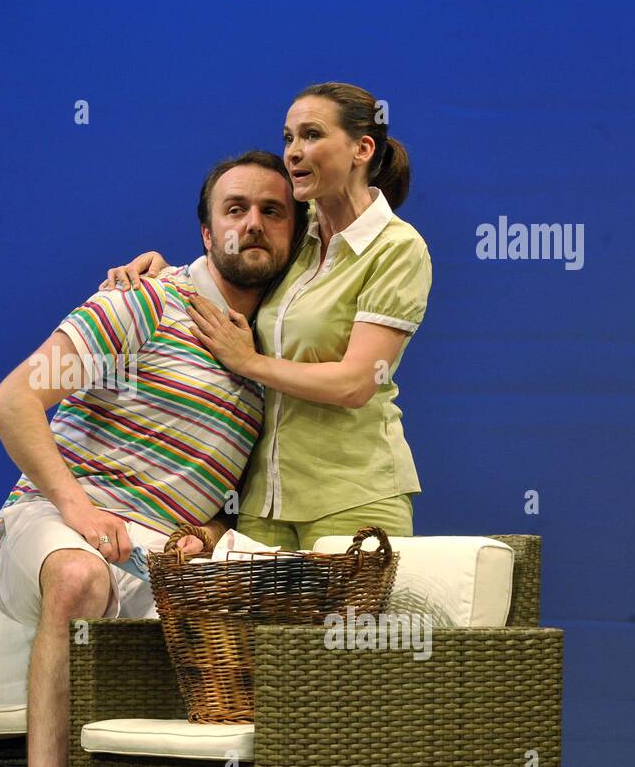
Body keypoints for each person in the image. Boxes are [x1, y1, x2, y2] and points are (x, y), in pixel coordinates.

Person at [0, 150, 297, 767]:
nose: (254, 223)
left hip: (159, 558)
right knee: (78, 574)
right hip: (60, 520)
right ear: (208, 233)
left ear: (295, 233)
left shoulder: (274, 354)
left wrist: (209, 531)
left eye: (273, 211)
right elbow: (13, 400)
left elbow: (230, 496)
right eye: (234, 209)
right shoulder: (146, 301)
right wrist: (79, 510)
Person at [104, 82, 432, 550]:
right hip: (261, 504)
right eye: (289, 138)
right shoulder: (298, 231)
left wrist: (250, 363)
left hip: (352, 497)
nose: (294, 153)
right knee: (251, 628)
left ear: (362, 148)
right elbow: (233, 261)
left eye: (312, 135)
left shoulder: (397, 247)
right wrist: (164, 271)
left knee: (346, 627)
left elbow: (356, 384)